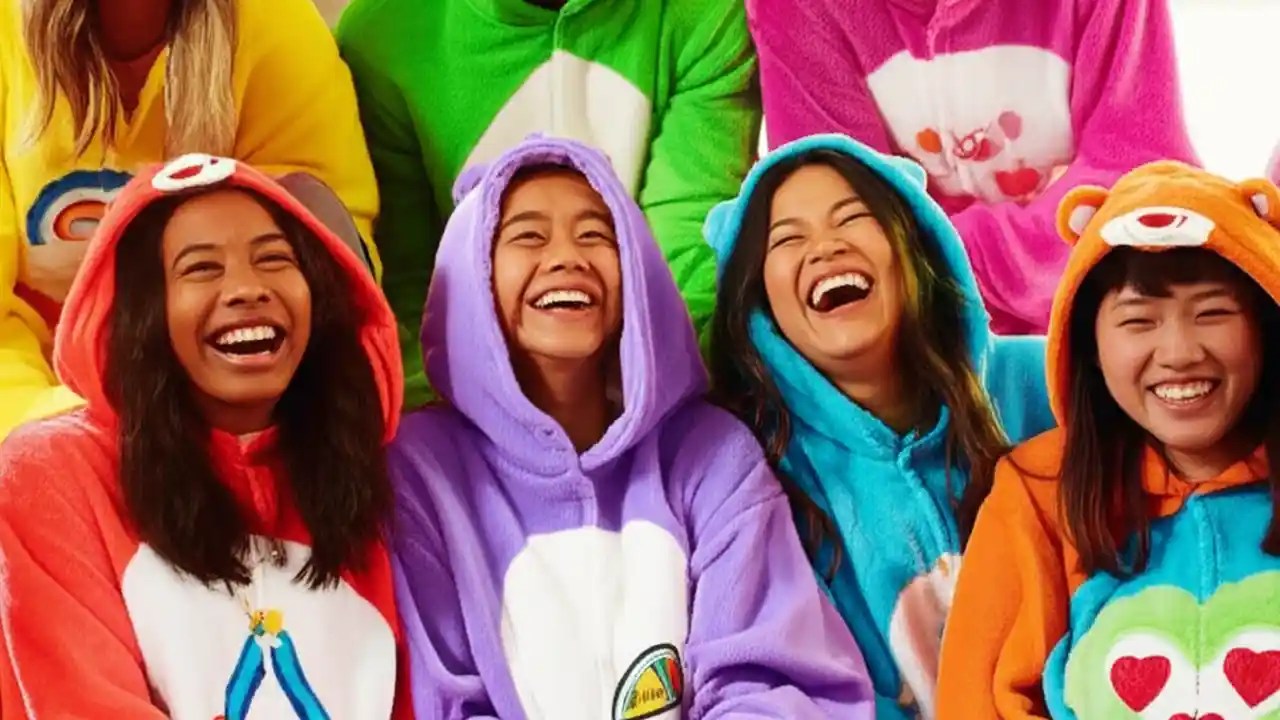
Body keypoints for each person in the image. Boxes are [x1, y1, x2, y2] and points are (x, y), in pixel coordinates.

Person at [389, 136, 874, 718]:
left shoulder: (709, 453)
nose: (567, 256)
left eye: (596, 234)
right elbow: (439, 695)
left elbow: (767, 678)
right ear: (472, 273)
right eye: (527, 235)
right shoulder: (419, 468)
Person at [0, 155, 408, 718]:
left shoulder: (376, 480)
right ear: (143, 312)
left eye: (273, 260)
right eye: (201, 269)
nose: (247, 288)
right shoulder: (50, 474)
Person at [704, 133, 1056, 718]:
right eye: (788, 238)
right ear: (758, 300)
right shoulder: (753, 476)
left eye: (852, 218)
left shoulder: (1046, 384)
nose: (825, 247)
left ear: (915, 246)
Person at [937, 161, 1280, 718]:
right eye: (1139, 320)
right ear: (1087, 342)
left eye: (1213, 313)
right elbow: (977, 701)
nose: (1179, 352)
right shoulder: (1039, 493)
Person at [336, 0, 761, 407]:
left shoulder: (704, 12)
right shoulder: (381, 36)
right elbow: (407, 298)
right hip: (458, 425)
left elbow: (689, 262)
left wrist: (664, 430)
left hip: (653, 412)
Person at [0, 0, 380, 439]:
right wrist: (77, 435)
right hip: (34, 434)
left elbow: (328, 298)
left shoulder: (278, 30)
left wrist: (198, 435)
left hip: (230, 424)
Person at [745, 0, 1199, 335]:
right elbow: (834, 224)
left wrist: (928, 254)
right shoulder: (794, 10)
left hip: (1107, 319)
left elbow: (1144, 188)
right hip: (924, 348)